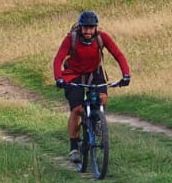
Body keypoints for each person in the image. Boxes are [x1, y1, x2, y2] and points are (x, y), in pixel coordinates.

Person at [53, 10, 130, 162]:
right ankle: (74, 147)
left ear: (95, 27)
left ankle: (97, 121)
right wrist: (58, 78)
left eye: (91, 28)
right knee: (77, 110)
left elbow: (118, 55)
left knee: (103, 98)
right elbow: (58, 59)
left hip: (94, 73)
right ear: (80, 27)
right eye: (85, 28)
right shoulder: (71, 39)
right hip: (73, 75)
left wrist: (126, 74)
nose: (88, 31)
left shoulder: (102, 38)